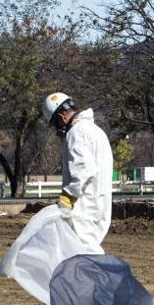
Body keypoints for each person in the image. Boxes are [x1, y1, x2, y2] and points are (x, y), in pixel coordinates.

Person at [43, 92, 113, 251]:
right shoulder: (95, 131)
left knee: (86, 249)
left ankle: (103, 275)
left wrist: (68, 196)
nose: (57, 129)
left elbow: (84, 170)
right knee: (85, 247)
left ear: (61, 117)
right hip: (98, 201)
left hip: (85, 204)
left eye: (55, 123)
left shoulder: (76, 133)